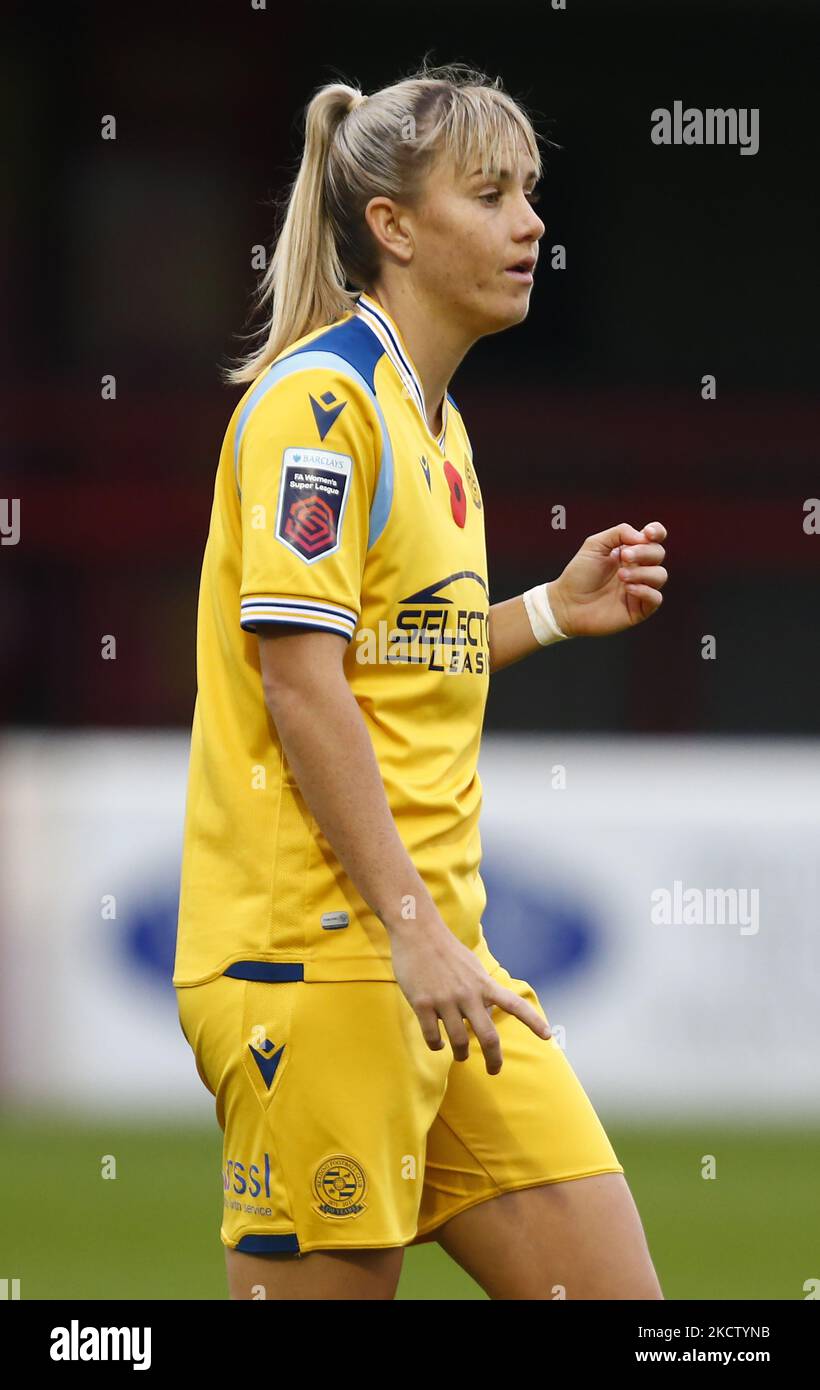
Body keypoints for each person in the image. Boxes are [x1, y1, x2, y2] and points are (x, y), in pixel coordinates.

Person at [173, 60, 668, 1301]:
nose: (530, 224)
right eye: (491, 193)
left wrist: (550, 612)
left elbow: (393, 655)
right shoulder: (319, 412)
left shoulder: (433, 424)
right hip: (328, 963)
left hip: (447, 966)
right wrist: (408, 932)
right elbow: (301, 688)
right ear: (391, 227)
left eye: (531, 193)